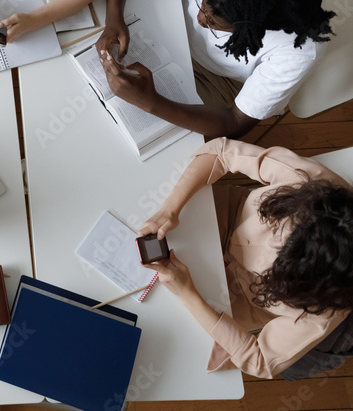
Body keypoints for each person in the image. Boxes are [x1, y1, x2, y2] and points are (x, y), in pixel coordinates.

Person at [138, 138, 353, 379]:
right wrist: (171, 208)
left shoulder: (321, 314)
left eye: (281, 256)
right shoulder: (311, 184)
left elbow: (261, 362)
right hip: (221, 213)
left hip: (241, 296)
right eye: (277, 222)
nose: (269, 241)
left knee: (157, 324)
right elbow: (221, 152)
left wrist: (189, 295)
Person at [95, 0, 334, 138]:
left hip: (221, 80)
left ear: (253, 28)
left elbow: (235, 122)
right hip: (169, 21)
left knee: (127, 132)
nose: (199, 18)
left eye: (212, 22)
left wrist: (151, 103)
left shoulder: (299, 50)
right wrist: (114, 15)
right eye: (203, 3)